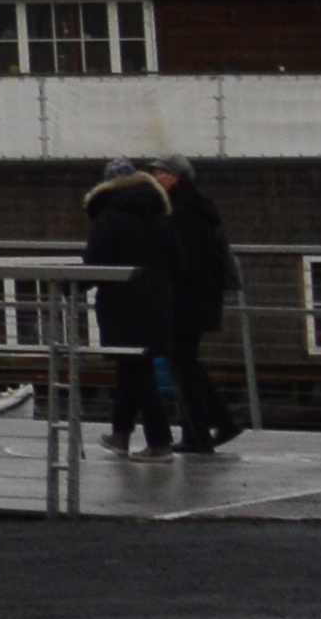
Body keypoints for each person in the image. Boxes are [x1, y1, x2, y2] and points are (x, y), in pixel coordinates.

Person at [79, 156, 178, 451]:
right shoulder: (161, 216)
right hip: (157, 302)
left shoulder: (109, 219)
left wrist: (70, 285)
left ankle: (159, 441)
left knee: (136, 370)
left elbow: (95, 265)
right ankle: (120, 432)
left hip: (121, 307)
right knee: (132, 366)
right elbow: (178, 262)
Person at [158, 158, 239, 454]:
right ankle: (199, 433)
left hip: (185, 300)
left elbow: (184, 260)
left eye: (161, 173)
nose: (156, 177)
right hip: (200, 298)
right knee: (184, 364)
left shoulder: (182, 212)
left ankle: (214, 425)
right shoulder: (198, 207)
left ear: (176, 178)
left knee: (182, 365)